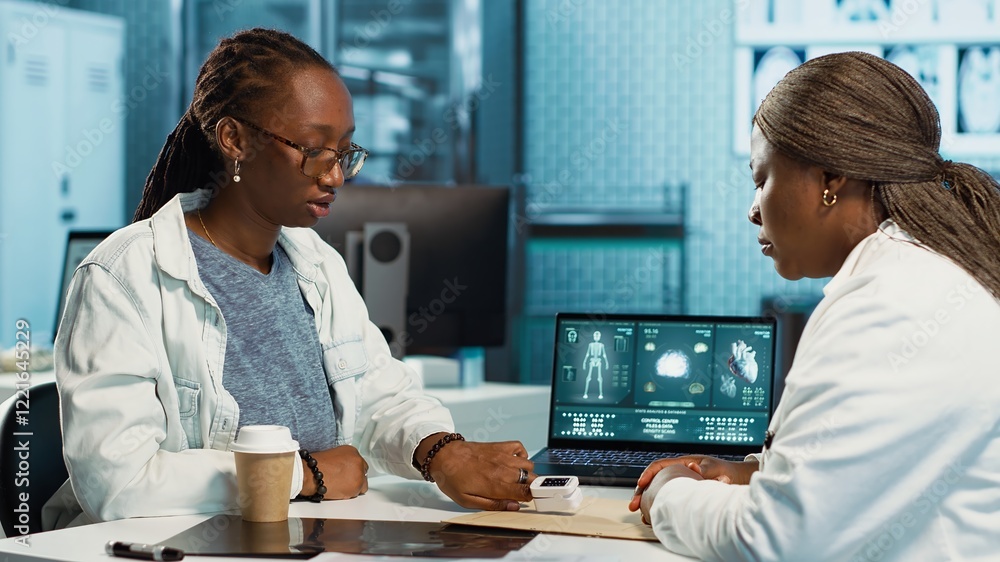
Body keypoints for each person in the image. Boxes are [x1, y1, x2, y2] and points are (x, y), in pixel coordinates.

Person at [42, 28, 534, 530]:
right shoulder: (122, 275)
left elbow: (380, 396)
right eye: (313, 148)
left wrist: (440, 453)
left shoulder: (315, 262)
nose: (335, 176)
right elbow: (118, 482)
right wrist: (302, 474)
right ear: (234, 139)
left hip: (306, 538)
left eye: (344, 152)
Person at [629, 51, 1000, 560]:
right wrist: (757, 472)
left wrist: (668, 492)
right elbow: (877, 461)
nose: (753, 208)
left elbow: (776, 541)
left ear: (829, 179)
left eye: (762, 179)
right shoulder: (924, 274)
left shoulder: (890, 304)